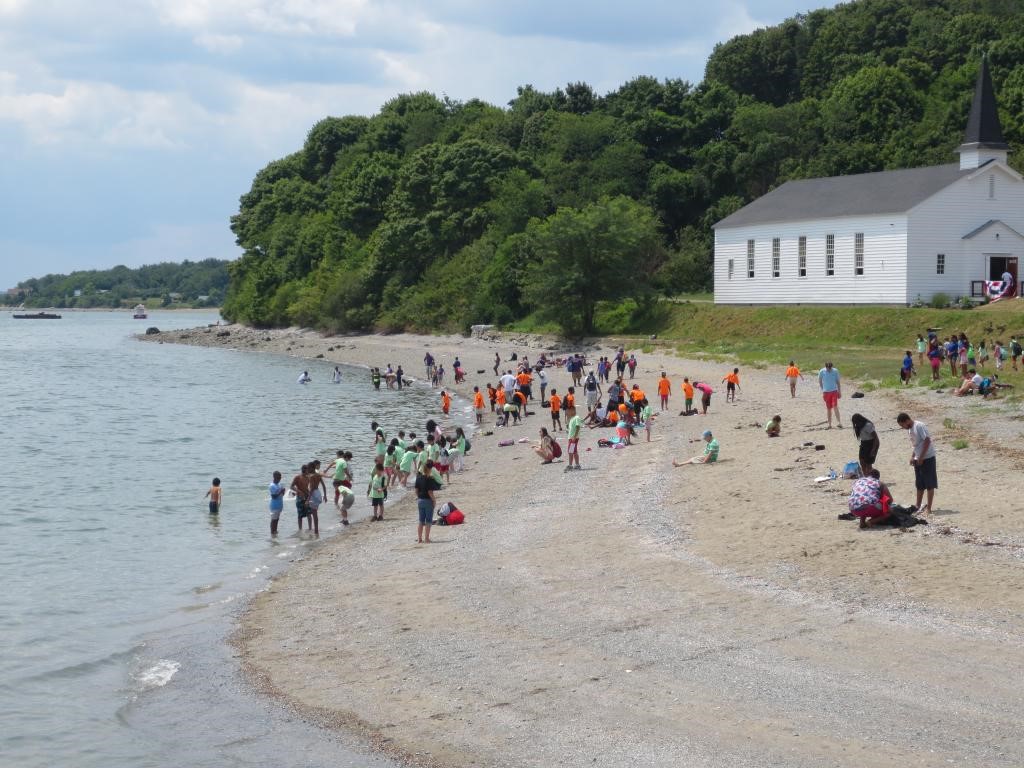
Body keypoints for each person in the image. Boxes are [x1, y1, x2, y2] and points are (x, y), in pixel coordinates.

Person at [897, 412, 937, 515]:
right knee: (919, 484)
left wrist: (922, 457)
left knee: (929, 484)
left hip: (927, 458)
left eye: (902, 425)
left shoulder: (919, 426)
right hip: (918, 459)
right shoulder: (910, 429)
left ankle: (929, 508)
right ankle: (917, 506)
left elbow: (927, 441)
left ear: (906, 420)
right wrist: (913, 456)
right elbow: (916, 445)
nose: (902, 427)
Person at [414, 460, 442, 543]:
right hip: (428, 501)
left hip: (420, 500)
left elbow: (416, 491)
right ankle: (426, 538)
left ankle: (419, 539)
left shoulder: (418, 478)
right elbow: (430, 492)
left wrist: (419, 497)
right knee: (428, 521)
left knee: (421, 521)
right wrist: (434, 500)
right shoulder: (430, 478)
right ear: (430, 469)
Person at [817, 361, 842, 428]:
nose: (829, 369)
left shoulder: (835, 371)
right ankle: (829, 424)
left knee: (835, 406)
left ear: (831, 366)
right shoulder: (822, 371)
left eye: (830, 368)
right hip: (826, 392)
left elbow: (838, 382)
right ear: (826, 367)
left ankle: (839, 422)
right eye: (828, 368)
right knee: (828, 408)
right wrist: (823, 389)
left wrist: (839, 391)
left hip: (834, 391)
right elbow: (819, 380)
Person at [306, 462, 326, 535]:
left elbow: (312, 489)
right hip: (318, 493)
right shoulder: (318, 475)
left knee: (314, 514)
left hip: (313, 495)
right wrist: (325, 495)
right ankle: (316, 529)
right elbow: (323, 486)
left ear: (311, 468)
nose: (307, 470)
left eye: (308, 468)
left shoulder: (311, 477)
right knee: (315, 513)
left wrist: (308, 499)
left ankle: (316, 531)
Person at [290, 465, 310, 530]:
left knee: (309, 514)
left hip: (307, 497)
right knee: (300, 515)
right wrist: (299, 491)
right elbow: (291, 486)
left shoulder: (308, 478)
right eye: (308, 470)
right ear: (305, 470)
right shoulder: (297, 477)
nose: (308, 471)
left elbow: (309, 487)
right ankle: (300, 529)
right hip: (300, 498)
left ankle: (310, 529)